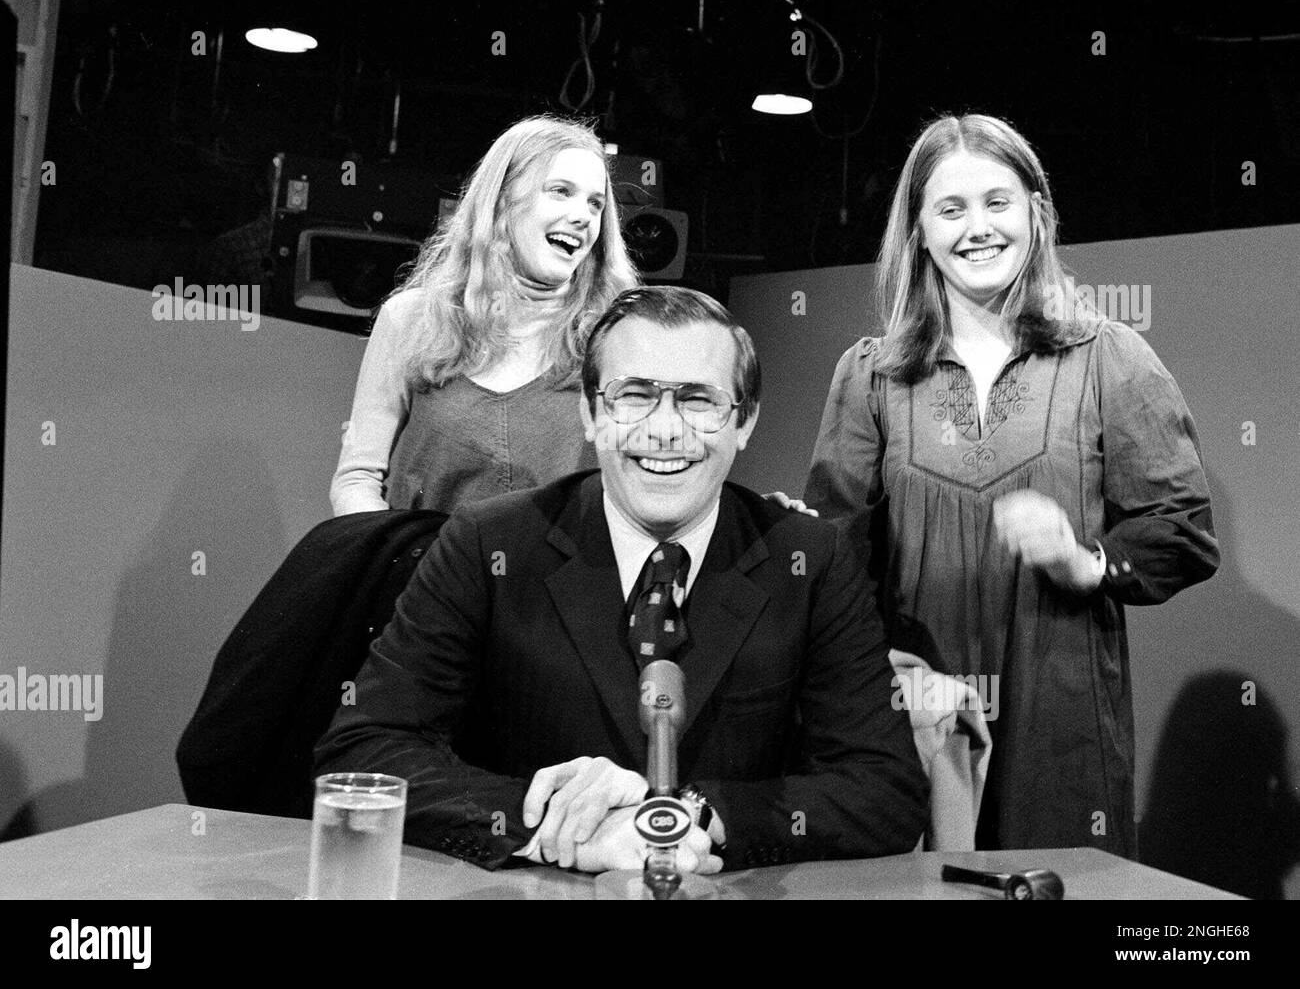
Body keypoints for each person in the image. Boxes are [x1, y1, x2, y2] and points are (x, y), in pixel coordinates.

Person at [316, 285, 928, 873]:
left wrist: (696, 813)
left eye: (698, 400)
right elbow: (365, 748)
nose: (664, 430)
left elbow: (886, 790)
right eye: (633, 396)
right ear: (589, 414)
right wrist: (560, 824)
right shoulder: (488, 543)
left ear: (743, 422)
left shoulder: (810, 559)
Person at [804, 114, 1219, 858]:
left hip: (1060, 730)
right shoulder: (869, 374)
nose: (977, 228)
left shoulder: (1109, 356)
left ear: (1035, 211)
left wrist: (1083, 561)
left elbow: (1181, 529)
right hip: (913, 723)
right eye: (951, 209)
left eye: (997, 202)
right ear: (920, 232)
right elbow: (835, 561)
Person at [329, 116, 638, 515]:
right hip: (426, 572)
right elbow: (357, 479)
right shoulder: (411, 320)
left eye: (595, 204)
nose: (583, 216)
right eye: (561, 192)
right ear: (502, 201)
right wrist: (404, 565)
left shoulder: (615, 338)